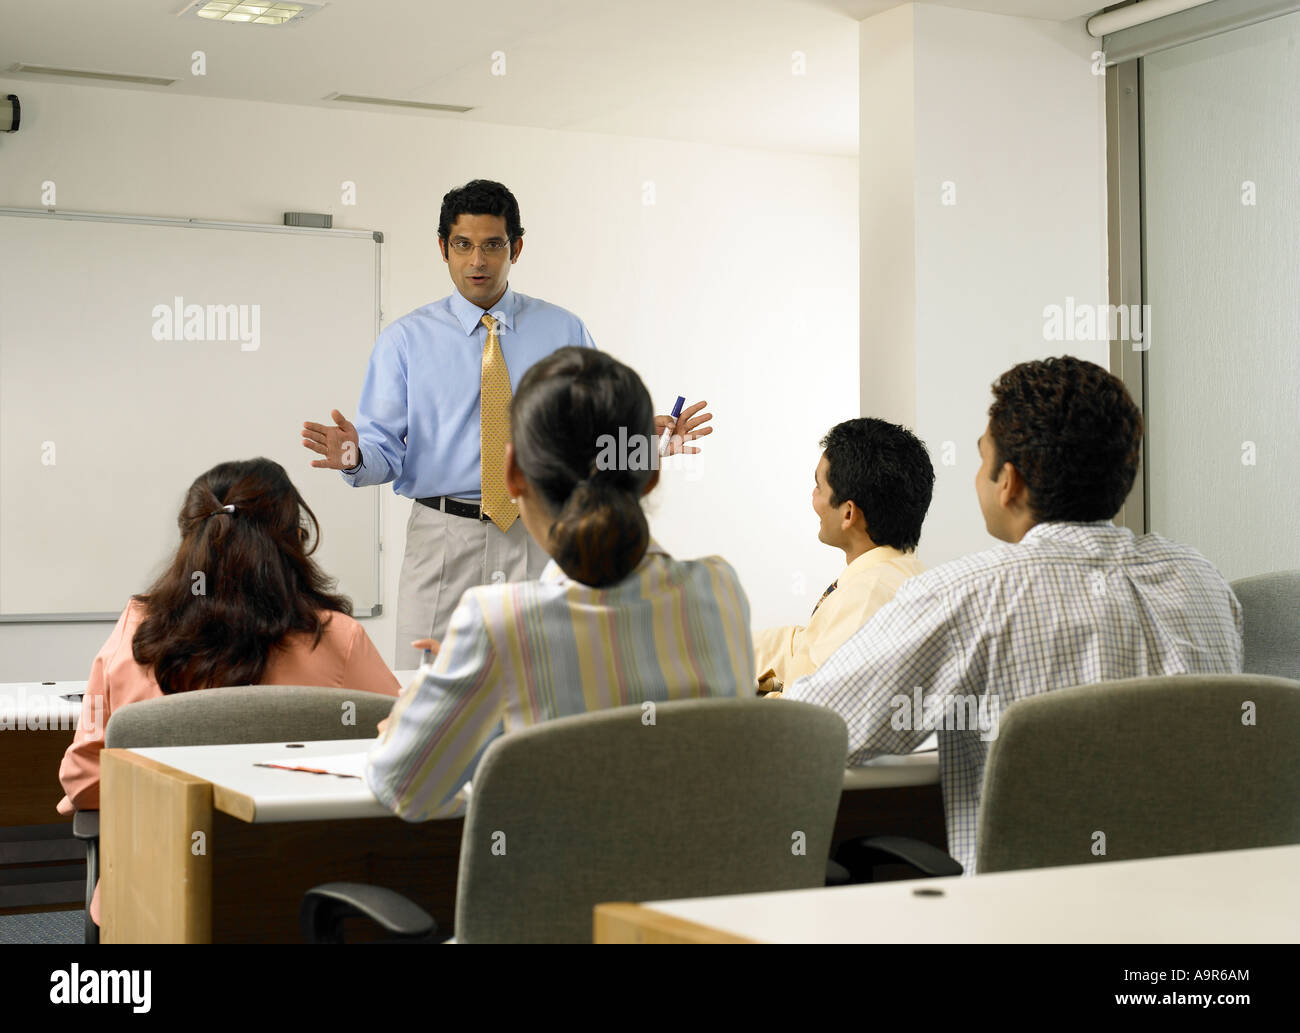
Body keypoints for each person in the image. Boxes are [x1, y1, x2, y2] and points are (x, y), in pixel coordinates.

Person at [781, 356, 1242, 875]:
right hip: (1194, 922)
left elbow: (812, 729)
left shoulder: (969, 594)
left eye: (982, 459)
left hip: (1025, 920)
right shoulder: (1202, 582)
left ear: (1010, 483)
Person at [302, 180, 711, 669]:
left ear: (515, 247)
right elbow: (381, 452)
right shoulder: (405, 341)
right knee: (423, 685)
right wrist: (355, 455)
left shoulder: (564, 331)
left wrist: (652, 445)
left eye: (493, 245)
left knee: (548, 678)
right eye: (463, 245)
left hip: (539, 531)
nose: (478, 260)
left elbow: (591, 446)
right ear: (443, 248)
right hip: (442, 540)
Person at [366, 347, 752, 821]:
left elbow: (404, 789)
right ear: (650, 473)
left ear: (511, 474)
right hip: (702, 895)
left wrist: (426, 700)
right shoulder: (721, 589)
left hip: (559, 897)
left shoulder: (497, 624)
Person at [58, 459, 399, 920]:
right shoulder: (338, 638)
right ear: (293, 541)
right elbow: (412, 753)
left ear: (189, 541)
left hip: (153, 904)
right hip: (308, 897)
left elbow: (84, 780)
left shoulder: (136, 630)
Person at [754, 417, 933, 695]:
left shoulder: (866, 597)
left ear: (848, 513)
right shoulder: (902, 576)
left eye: (819, 487)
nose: (813, 498)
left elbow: (810, 716)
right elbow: (802, 648)